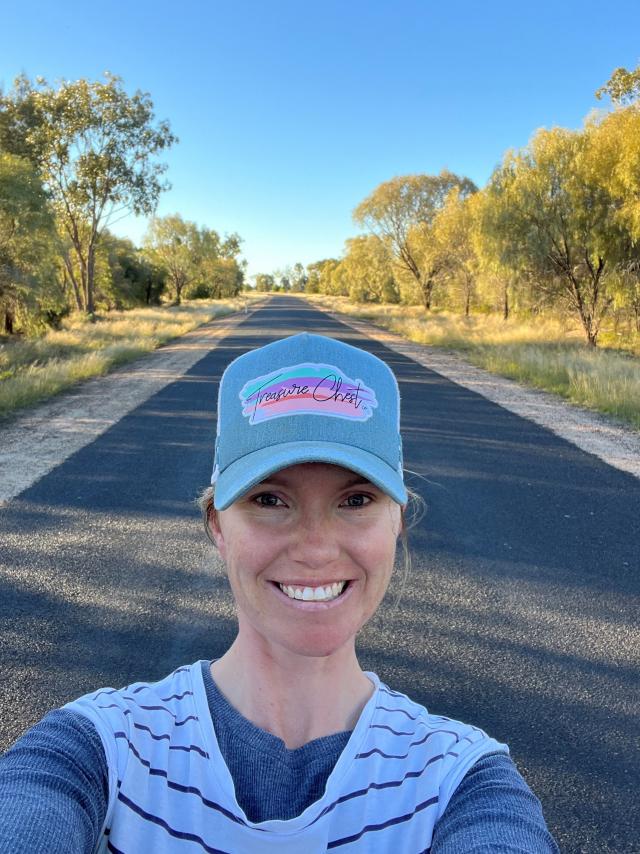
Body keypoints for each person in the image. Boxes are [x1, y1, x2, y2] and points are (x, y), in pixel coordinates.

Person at [0, 332, 559, 852]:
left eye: (356, 500)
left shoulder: (461, 781)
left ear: (398, 522)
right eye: (270, 500)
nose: (315, 549)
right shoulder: (100, 748)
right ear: (217, 524)